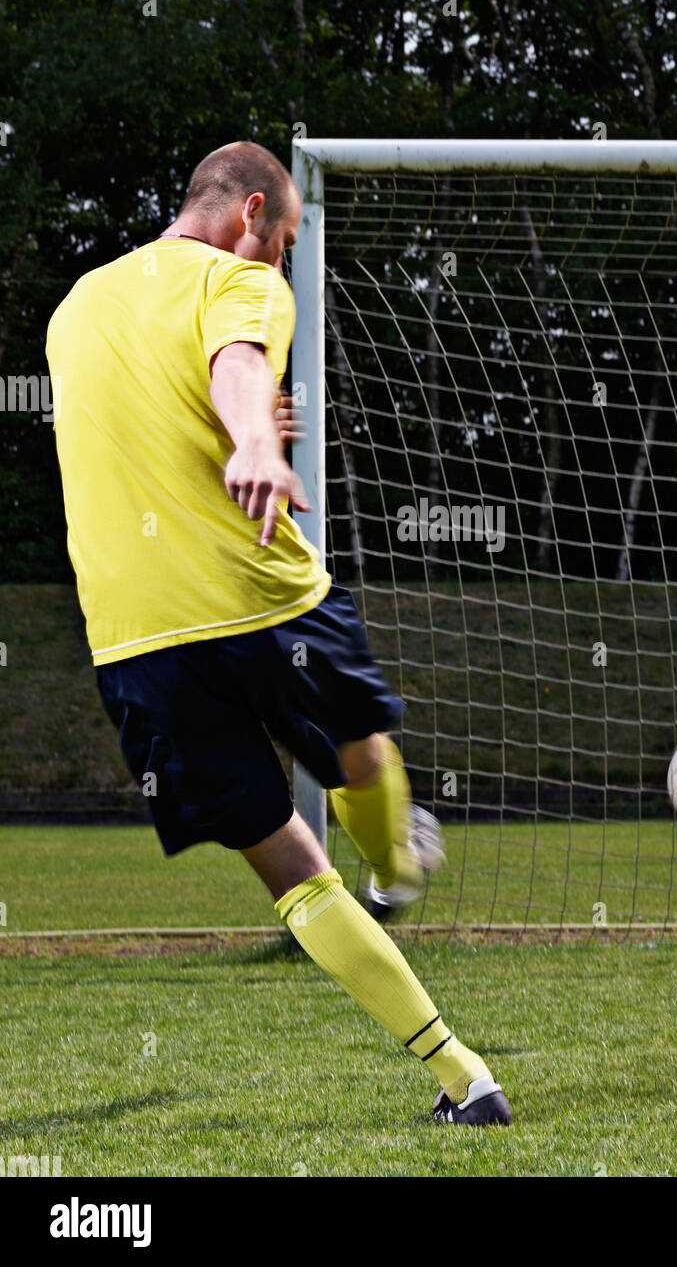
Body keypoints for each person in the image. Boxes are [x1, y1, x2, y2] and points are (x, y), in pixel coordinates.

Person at [45, 140, 512, 1127]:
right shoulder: (239, 280)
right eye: (285, 237)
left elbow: (159, 414)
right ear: (251, 212)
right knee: (362, 755)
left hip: (139, 644)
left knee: (294, 875)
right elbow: (238, 367)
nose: (280, 256)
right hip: (265, 603)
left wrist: (243, 431)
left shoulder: (76, 306)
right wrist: (257, 444)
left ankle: (464, 1077)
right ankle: (398, 865)